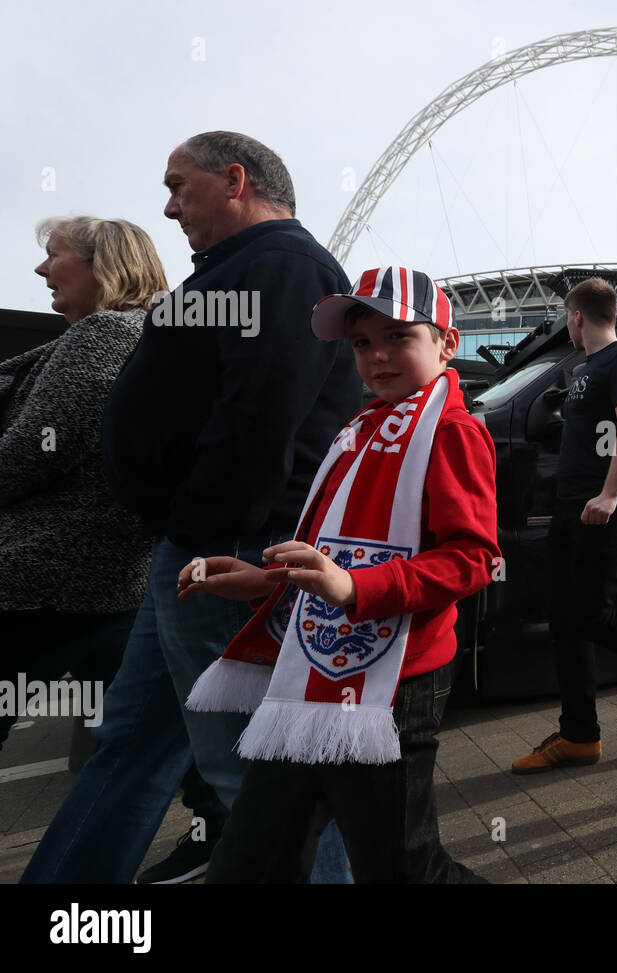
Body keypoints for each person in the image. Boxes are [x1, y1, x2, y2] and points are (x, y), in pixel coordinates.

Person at [21, 131, 359, 885]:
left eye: (179, 186)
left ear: (234, 179)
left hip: (222, 553)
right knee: (138, 744)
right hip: (193, 548)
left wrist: (208, 536)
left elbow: (260, 414)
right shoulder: (241, 270)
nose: (167, 206)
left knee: (253, 769)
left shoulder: (282, 265)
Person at [180, 267, 498, 883]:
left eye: (399, 335)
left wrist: (356, 589)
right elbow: (332, 554)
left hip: (395, 681)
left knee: (402, 868)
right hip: (312, 674)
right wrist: (263, 579)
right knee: (253, 856)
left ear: (447, 343)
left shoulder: (453, 431)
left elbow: (472, 558)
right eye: (360, 343)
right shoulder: (362, 426)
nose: (377, 356)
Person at [0, 218, 165, 751]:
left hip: (47, 575)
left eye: (55, 254)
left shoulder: (105, 334)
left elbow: (35, 450)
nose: (41, 268)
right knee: (145, 740)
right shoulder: (150, 337)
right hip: (111, 577)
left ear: (105, 265)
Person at [512, 278, 617, 774]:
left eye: (566, 319)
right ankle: (579, 735)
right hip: (569, 504)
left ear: (577, 315)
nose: (567, 327)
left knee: (595, 614)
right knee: (563, 619)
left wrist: (610, 493)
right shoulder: (584, 368)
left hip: (602, 504)